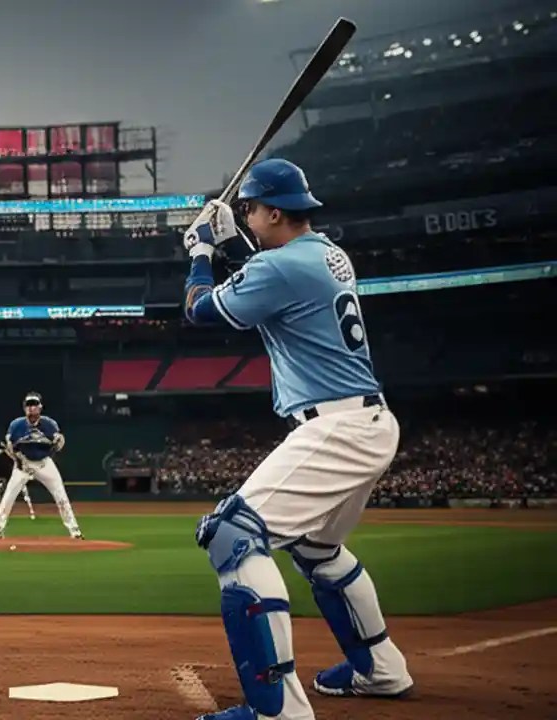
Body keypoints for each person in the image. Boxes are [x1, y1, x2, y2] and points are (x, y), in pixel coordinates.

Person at [181, 158, 413, 720]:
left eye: (251, 209)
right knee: (316, 549)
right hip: (369, 421)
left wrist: (200, 254)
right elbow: (270, 277)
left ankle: (277, 711)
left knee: (231, 535)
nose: (246, 215)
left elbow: (200, 309)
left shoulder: (280, 269)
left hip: (337, 427)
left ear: (275, 212)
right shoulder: (327, 253)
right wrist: (235, 241)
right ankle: (382, 670)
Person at [0, 392, 82, 539]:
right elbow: (9, 446)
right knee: (8, 498)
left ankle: (75, 531)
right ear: (24, 408)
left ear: (40, 407)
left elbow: (59, 442)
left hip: (44, 463)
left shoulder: (49, 424)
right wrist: (17, 459)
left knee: (61, 496)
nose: (31, 409)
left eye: (34, 405)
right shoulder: (16, 425)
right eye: (29, 405)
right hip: (24, 464)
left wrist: (58, 444)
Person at [0, 439, 35, 520]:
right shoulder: (0, 458)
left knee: (25, 495)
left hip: (19, 478)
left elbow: (13, 456)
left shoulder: (18, 459)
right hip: (6, 479)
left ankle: (31, 511)